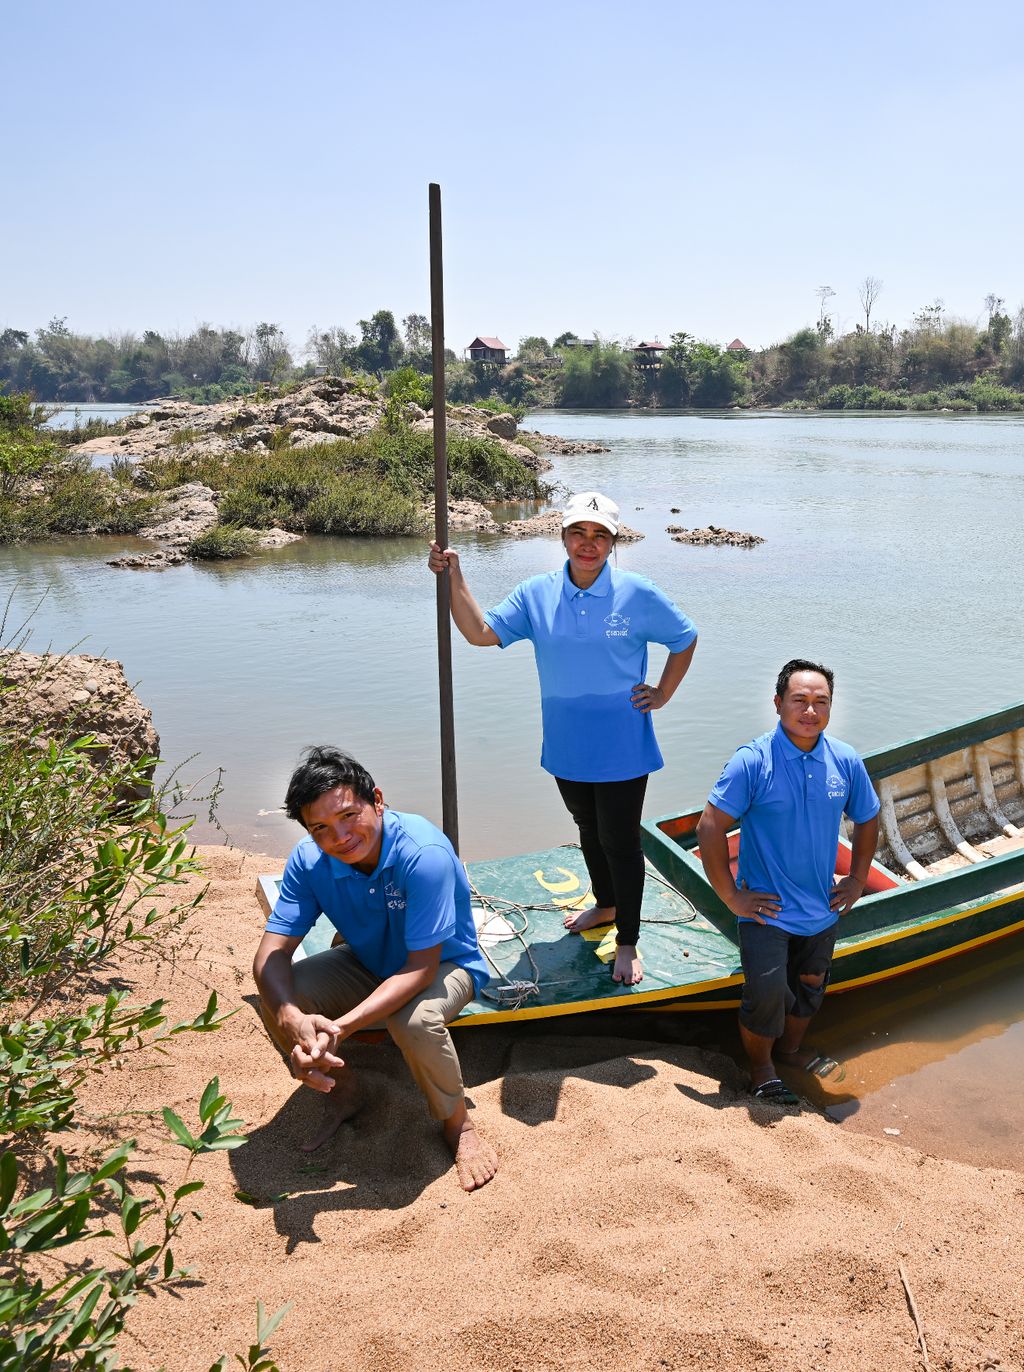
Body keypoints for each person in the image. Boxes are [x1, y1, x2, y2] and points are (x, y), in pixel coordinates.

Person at [428, 490, 697, 987]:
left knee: (620, 839)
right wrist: (454, 577)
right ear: (563, 537)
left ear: (613, 542)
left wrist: (662, 692)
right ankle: (606, 902)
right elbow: (479, 632)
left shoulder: (637, 593)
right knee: (587, 827)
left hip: (621, 744)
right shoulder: (537, 593)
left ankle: (628, 940)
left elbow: (684, 637)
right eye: (578, 533)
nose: (588, 544)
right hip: (566, 744)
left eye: (599, 536)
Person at [252, 746, 498, 1192]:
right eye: (321, 827)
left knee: (415, 1021)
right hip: (368, 960)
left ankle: (457, 1124)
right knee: (285, 992)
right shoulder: (310, 862)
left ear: (377, 800)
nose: (340, 837)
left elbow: (419, 970)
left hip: (444, 963)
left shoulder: (423, 855)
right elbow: (271, 954)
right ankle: (345, 1090)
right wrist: (290, 1015)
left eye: (349, 815)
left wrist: (340, 1027)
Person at [695, 659, 880, 1105]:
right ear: (778, 703)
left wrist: (856, 879)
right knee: (766, 994)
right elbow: (709, 827)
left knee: (812, 982)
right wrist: (732, 896)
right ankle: (762, 1069)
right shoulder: (753, 761)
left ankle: (792, 1052)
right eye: (800, 700)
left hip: (823, 905)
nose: (810, 711)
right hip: (767, 909)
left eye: (821, 702)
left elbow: (869, 818)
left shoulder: (845, 760)